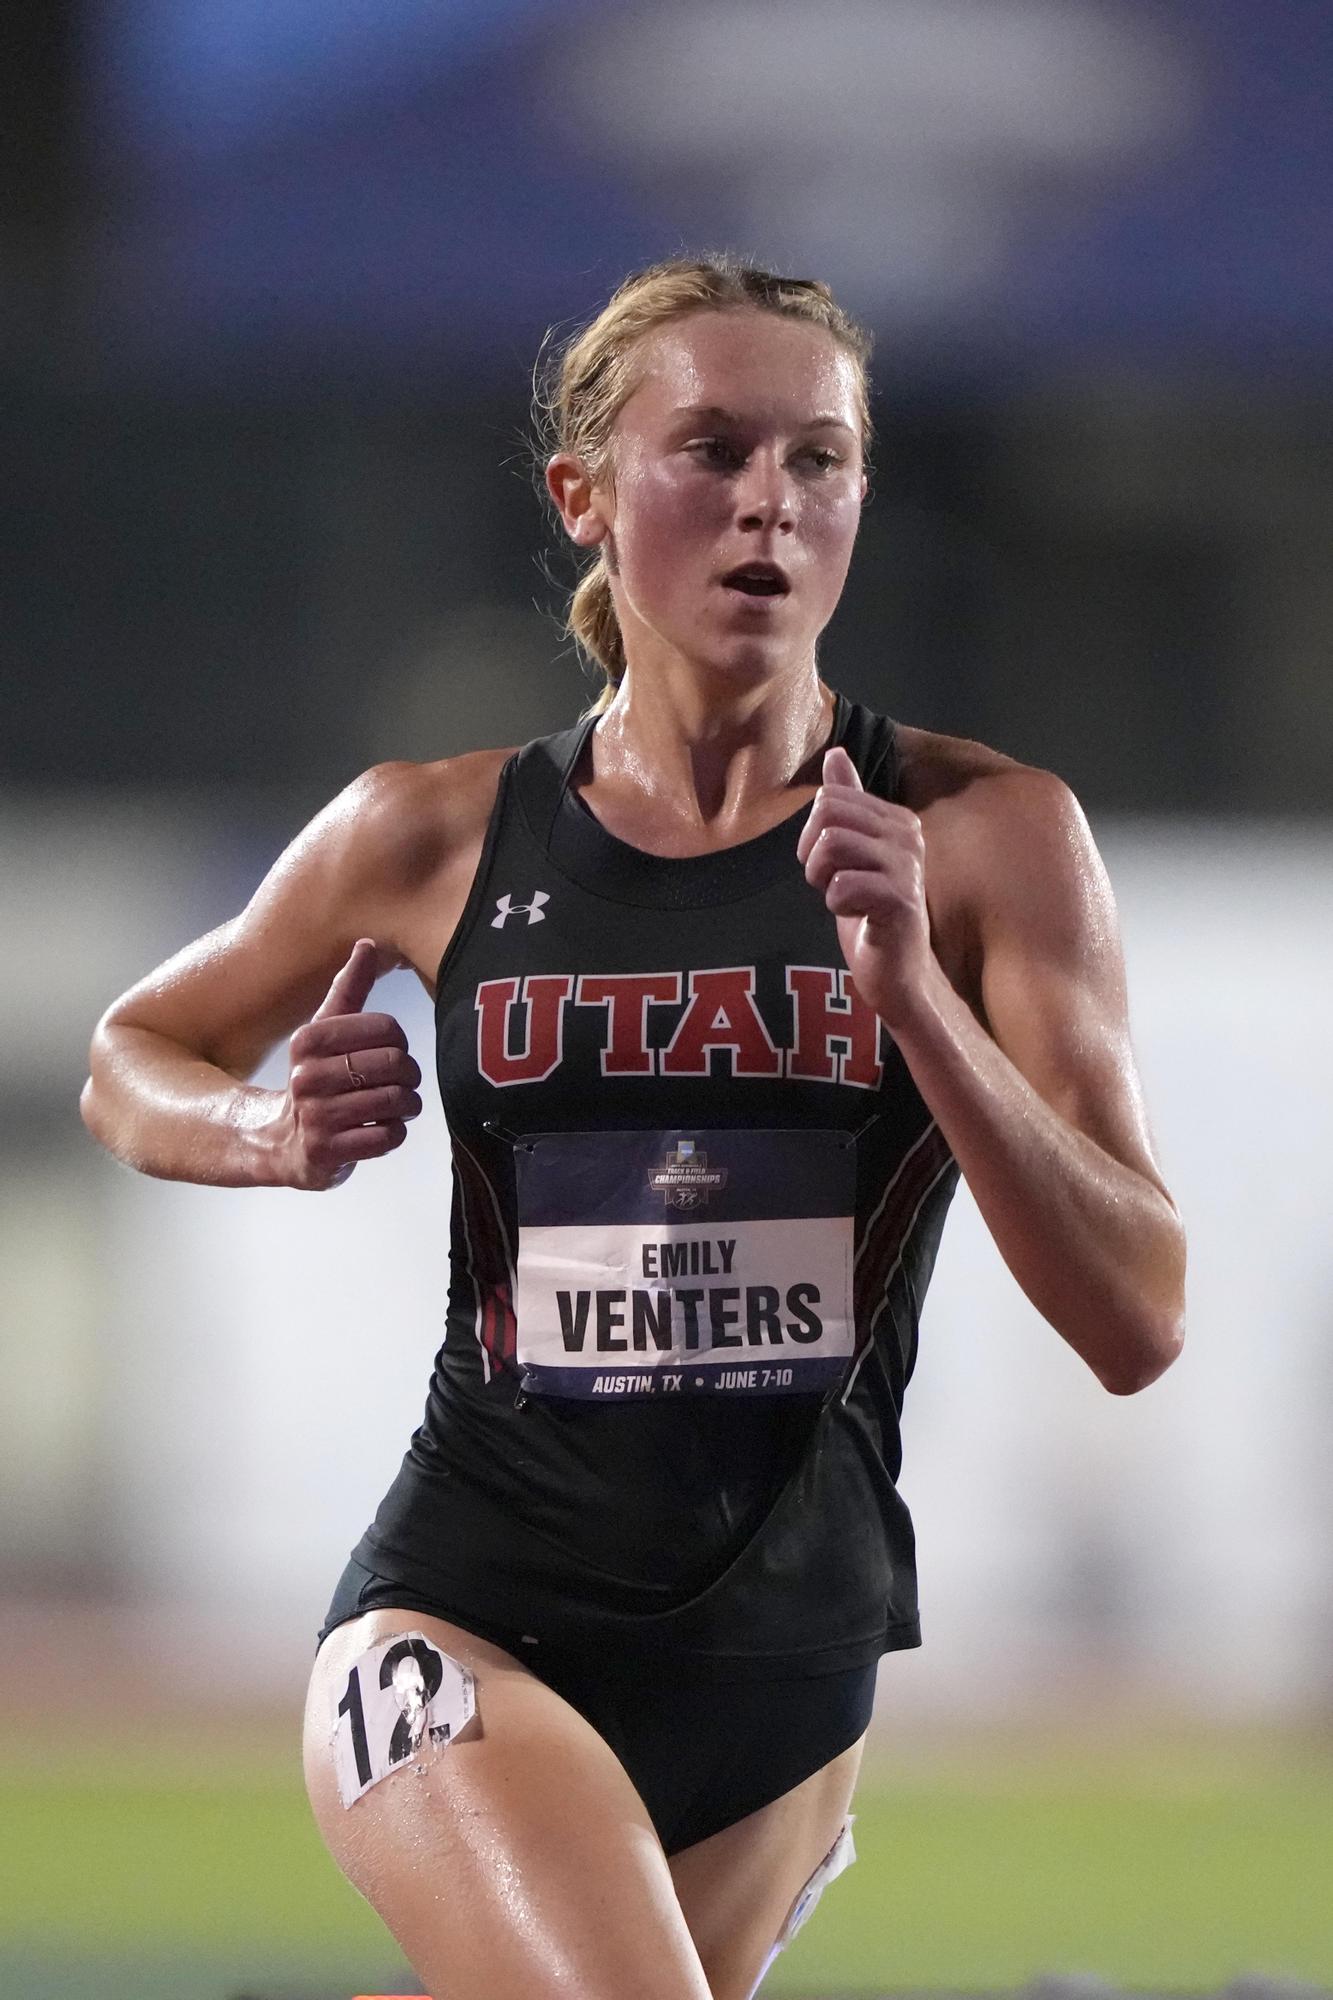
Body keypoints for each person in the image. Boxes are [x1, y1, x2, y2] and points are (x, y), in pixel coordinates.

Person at [80, 254, 1186, 2000]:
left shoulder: (981, 838)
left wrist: (919, 1007)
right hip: (468, 1617)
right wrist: (263, 1129)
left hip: (789, 1669)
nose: (769, 501)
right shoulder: (429, 833)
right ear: (584, 498)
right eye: (713, 448)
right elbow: (131, 1051)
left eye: (817, 459)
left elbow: (1137, 1317)